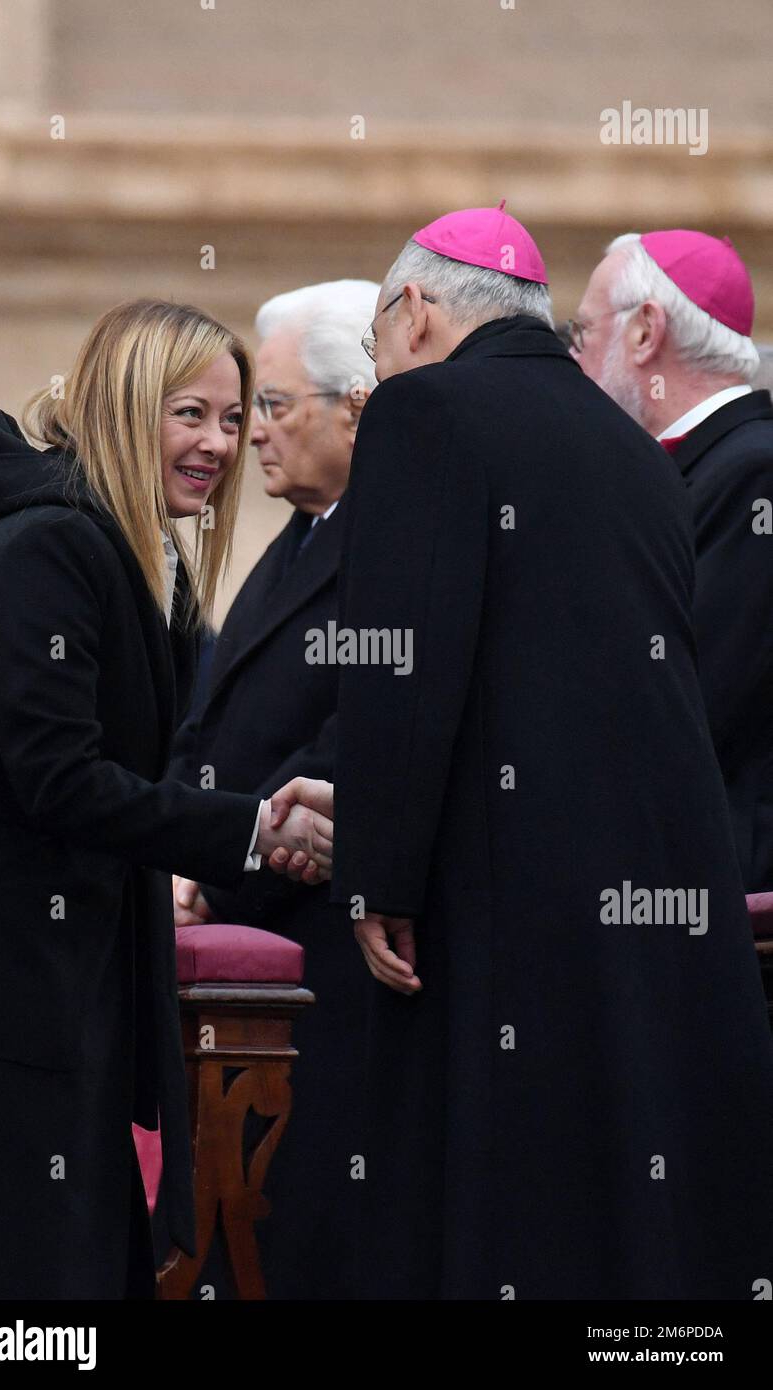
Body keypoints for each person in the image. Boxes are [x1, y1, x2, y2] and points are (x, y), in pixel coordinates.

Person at [329, 204, 773, 1299]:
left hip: (499, 890)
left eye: (376, 340)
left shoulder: (422, 412)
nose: (376, 370)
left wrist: (377, 870)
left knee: (486, 1189)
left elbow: (400, 661)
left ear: (416, 310)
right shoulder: (633, 446)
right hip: (645, 890)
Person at [0, 298, 333, 1300]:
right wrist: (249, 829)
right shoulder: (51, 548)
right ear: (122, 408)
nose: (217, 442)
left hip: (61, 973)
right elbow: (60, 779)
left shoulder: (119, 547)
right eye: (187, 413)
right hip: (6, 982)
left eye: (233, 417)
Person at [170, 279, 378, 1298]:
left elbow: (354, 741)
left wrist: (218, 875)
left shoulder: (388, 541)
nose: (250, 434)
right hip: (244, 925)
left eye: (276, 406)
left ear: (357, 405)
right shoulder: (297, 534)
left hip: (320, 950)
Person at [572, 231, 773, 890]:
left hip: (713, 881)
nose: (573, 360)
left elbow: (686, 704)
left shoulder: (753, 472)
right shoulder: (681, 470)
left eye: (582, 334)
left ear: (644, 333)